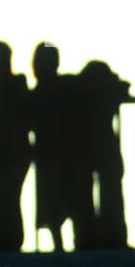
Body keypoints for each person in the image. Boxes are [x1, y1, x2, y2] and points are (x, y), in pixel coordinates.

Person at [29, 42, 95, 251]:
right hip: (65, 154)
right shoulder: (68, 86)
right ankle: (77, 244)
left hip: (57, 154)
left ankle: (65, 245)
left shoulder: (43, 92)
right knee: (70, 200)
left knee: (58, 201)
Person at [0, 40, 32, 250]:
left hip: (10, 148)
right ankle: (1, 242)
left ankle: (5, 242)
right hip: (8, 148)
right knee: (1, 198)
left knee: (5, 198)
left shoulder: (15, 84)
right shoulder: (15, 84)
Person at [75, 60, 131, 247]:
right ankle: (111, 238)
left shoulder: (82, 93)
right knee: (109, 191)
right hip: (99, 144)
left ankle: (90, 238)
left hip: (91, 144)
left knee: (97, 191)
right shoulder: (108, 93)